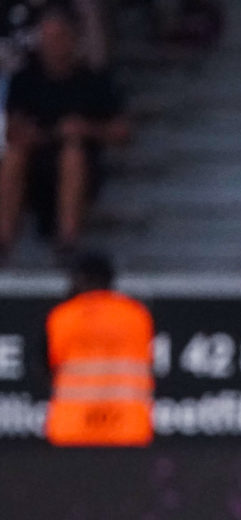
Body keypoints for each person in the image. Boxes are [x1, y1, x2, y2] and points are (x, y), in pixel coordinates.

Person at [0, 7, 128, 264]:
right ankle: (3, 239)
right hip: (33, 162)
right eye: (46, 39)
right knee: (14, 156)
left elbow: (122, 130)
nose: (52, 46)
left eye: (58, 38)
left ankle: (67, 240)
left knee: (72, 154)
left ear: (72, 39)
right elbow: (13, 127)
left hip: (80, 165)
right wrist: (29, 134)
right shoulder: (25, 80)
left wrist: (86, 128)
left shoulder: (94, 80)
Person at [45, 249, 155, 447]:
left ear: (79, 279)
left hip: (72, 429)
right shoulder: (137, 315)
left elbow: (47, 367)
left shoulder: (62, 317)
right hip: (128, 429)